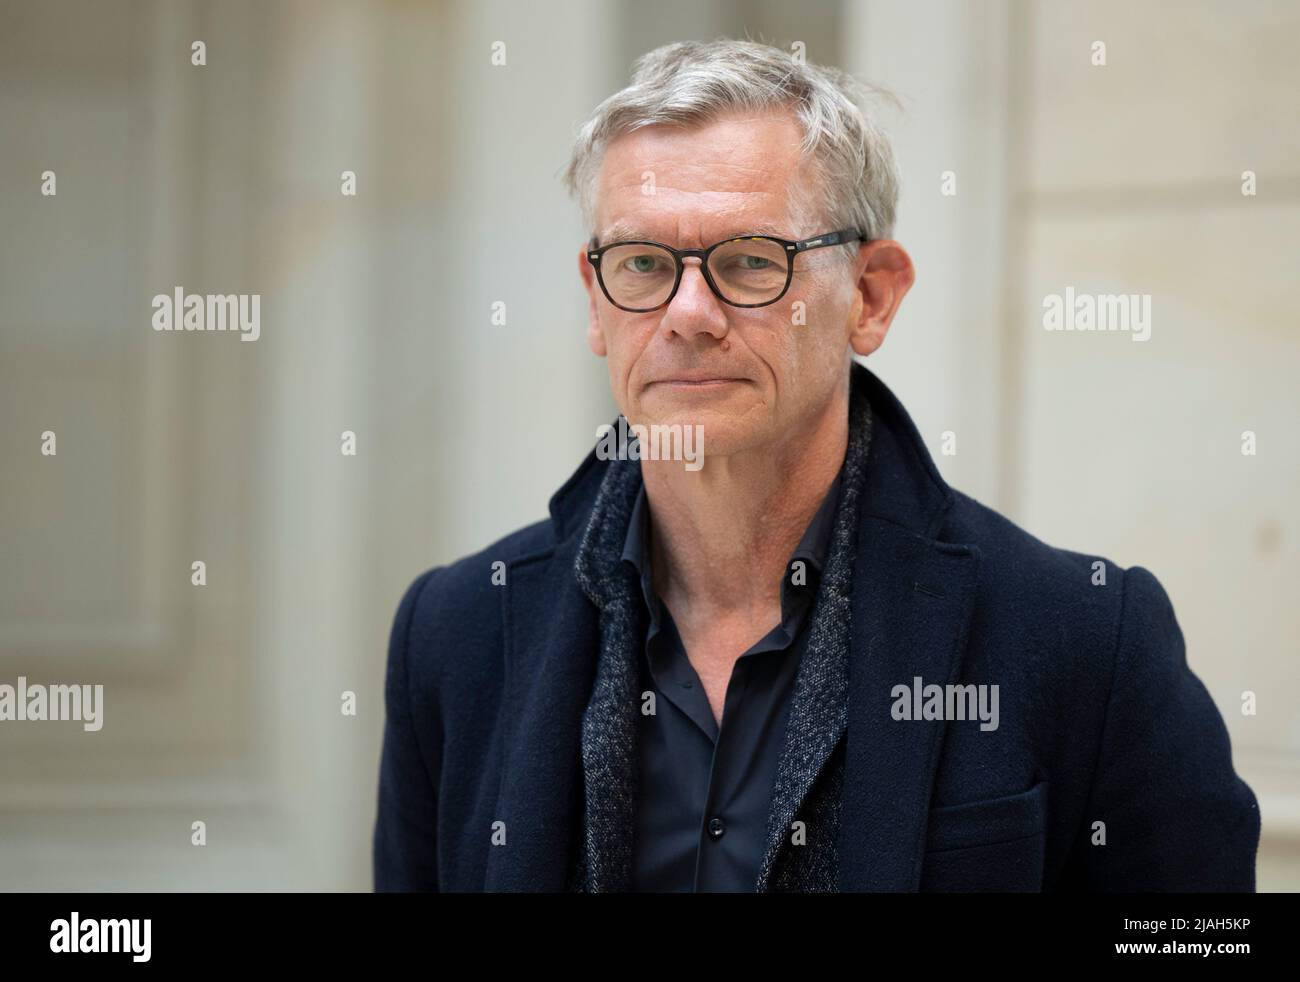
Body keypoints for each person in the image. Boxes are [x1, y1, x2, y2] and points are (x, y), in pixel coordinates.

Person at [373, 39, 1259, 892]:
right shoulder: (455, 633)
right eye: (642, 264)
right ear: (597, 304)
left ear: (870, 297)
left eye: (750, 262)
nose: (687, 313)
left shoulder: (1087, 640)